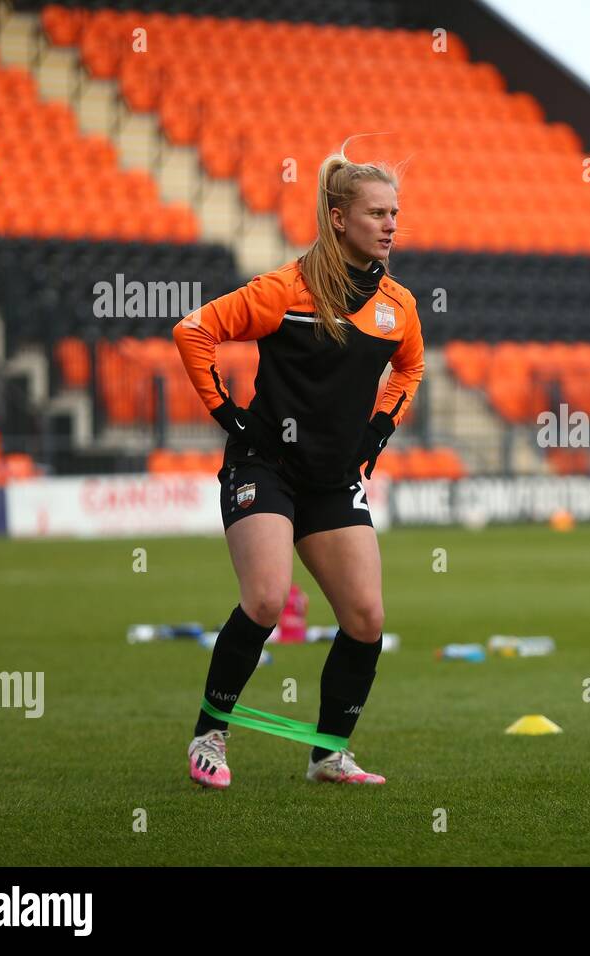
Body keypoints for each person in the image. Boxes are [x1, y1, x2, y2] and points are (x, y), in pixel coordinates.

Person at [173, 148, 424, 788]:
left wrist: (379, 430)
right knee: (264, 599)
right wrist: (230, 416)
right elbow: (193, 331)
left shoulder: (398, 306)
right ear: (338, 219)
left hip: (334, 476)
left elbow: (409, 369)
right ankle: (211, 733)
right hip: (267, 465)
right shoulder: (283, 291)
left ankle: (328, 754)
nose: (391, 224)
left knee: (366, 618)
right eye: (376, 213)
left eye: (394, 212)